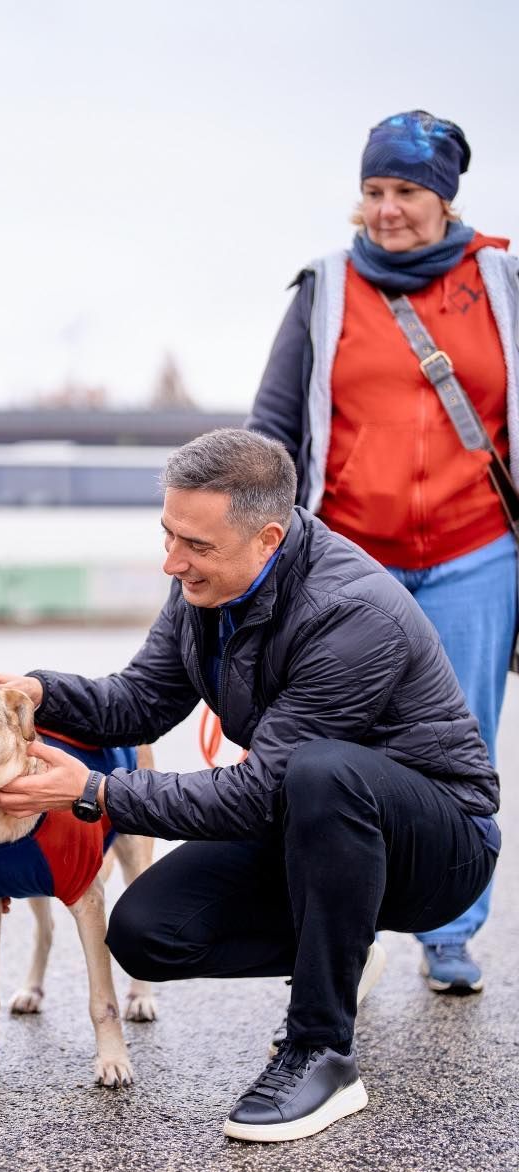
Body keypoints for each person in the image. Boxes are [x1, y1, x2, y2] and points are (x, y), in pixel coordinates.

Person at [0, 429, 500, 1143]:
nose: (172, 560)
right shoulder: (205, 586)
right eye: (168, 534)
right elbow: (139, 702)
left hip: (438, 844)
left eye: (196, 546)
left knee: (321, 770)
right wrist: (39, 692)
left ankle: (321, 1051)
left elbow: (258, 792)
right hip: (317, 833)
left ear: (267, 536)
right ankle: (341, 945)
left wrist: (94, 793)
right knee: (147, 934)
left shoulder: (350, 613)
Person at [247, 108, 518, 995]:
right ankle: (343, 925)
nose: (387, 209)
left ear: (444, 197)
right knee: (334, 740)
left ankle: (449, 929)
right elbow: (273, 431)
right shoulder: (325, 287)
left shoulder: (502, 283)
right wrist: (259, 549)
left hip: (476, 551)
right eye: (373, 191)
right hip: (350, 558)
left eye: (406, 190)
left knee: (458, 743)